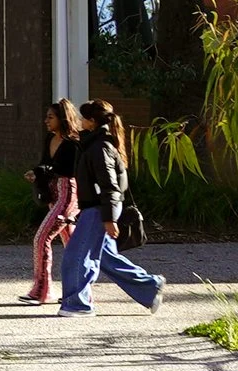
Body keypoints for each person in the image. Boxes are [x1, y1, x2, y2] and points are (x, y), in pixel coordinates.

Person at [58, 99, 165, 315]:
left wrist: (109, 219)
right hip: (98, 208)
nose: (79, 121)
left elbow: (110, 186)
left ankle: (78, 304)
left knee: (76, 257)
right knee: (107, 258)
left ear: (91, 122)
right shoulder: (95, 144)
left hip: (99, 209)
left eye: (82, 118)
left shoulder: (100, 148)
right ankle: (150, 287)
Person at [21, 100, 82, 304]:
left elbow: (66, 170)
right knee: (73, 244)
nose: (46, 120)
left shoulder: (73, 143)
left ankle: (42, 290)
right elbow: (45, 164)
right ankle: (79, 291)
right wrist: (35, 172)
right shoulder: (50, 138)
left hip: (67, 193)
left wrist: (42, 171)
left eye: (50, 117)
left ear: (62, 118)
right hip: (52, 193)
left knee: (41, 237)